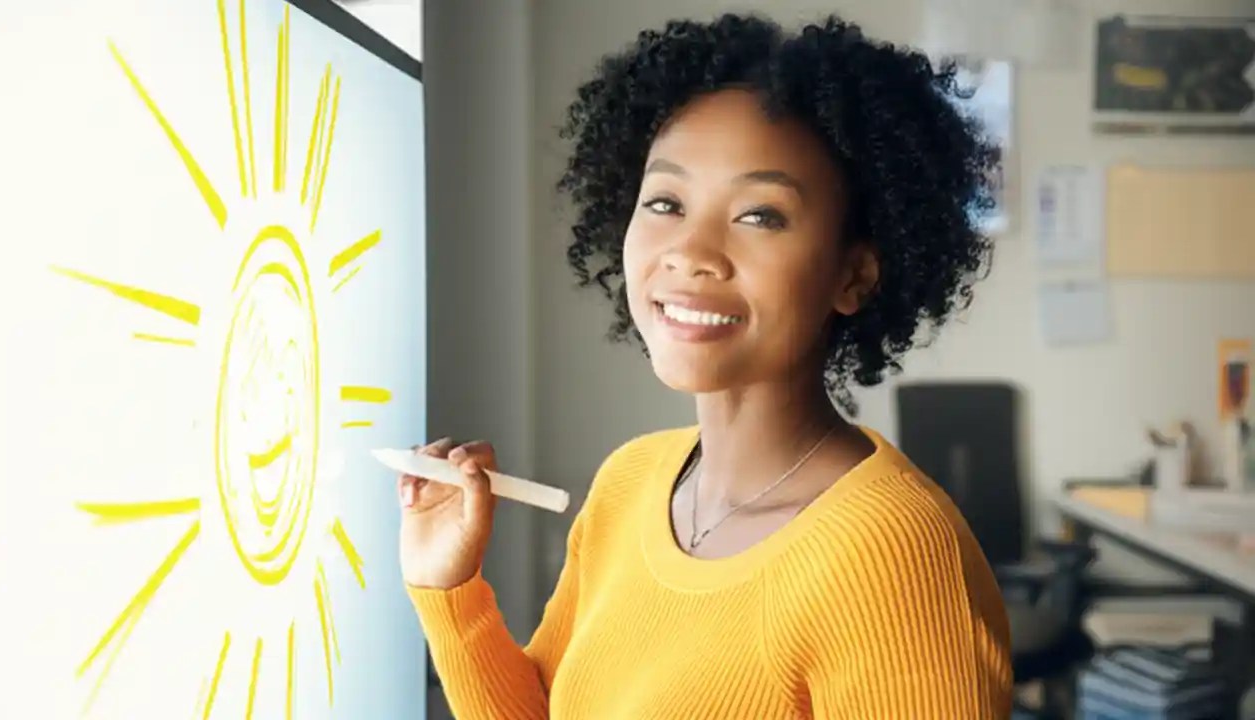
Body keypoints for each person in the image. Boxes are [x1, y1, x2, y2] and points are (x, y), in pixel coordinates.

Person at [397, 13, 1011, 719]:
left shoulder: (894, 553)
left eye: (760, 216)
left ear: (854, 275)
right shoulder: (629, 483)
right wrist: (449, 591)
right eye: (665, 202)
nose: (691, 250)